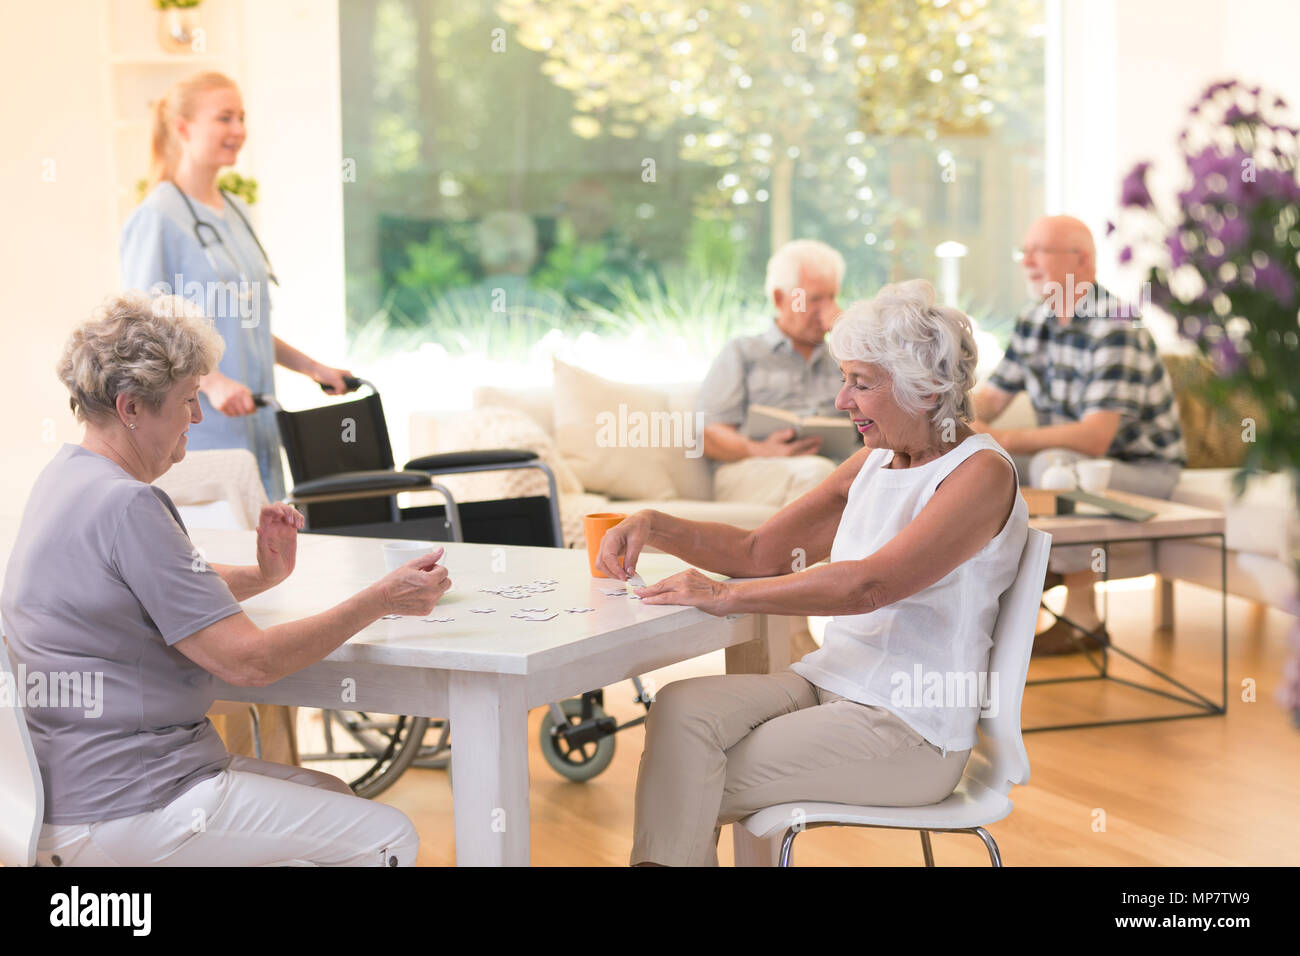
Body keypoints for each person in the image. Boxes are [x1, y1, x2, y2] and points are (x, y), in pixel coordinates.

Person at [2, 292, 451, 866]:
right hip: (130, 802)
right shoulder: (129, 504)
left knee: (334, 796)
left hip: (79, 792)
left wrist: (264, 575)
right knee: (388, 835)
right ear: (131, 407)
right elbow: (250, 662)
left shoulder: (65, 478)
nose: (197, 416)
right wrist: (382, 599)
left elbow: (151, 586)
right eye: (188, 400)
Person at [597, 280, 1028, 867]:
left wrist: (726, 596)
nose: (840, 401)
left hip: (908, 727)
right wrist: (654, 524)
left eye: (861, 383)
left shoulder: (979, 473)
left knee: (684, 776)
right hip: (833, 683)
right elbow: (760, 550)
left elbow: (869, 585)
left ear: (924, 390)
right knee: (679, 710)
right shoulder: (874, 462)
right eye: (844, 379)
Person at [120, 71, 355, 502]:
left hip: (258, 425)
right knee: (219, 560)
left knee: (270, 558)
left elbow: (243, 326)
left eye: (241, 118)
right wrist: (213, 383)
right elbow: (143, 331)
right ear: (183, 127)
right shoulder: (157, 216)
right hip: (199, 429)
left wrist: (312, 368)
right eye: (224, 118)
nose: (238, 130)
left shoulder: (236, 211)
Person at [970, 215, 1185, 654]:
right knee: (987, 468)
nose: (1027, 261)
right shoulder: (1035, 320)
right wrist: (939, 416)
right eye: (1023, 252)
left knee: (1055, 466)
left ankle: (1084, 621)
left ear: (1082, 259)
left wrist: (1002, 439)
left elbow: (1094, 439)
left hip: (1141, 468)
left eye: (1039, 251)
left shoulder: (1115, 324)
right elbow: (990, 400)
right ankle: (1006, 580)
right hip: (1070, 464)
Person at [697, 239, 847, 508]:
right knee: (817, 474)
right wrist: (762, 450)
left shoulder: (845, 358)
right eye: (814, 299)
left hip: (831, 470)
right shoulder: (742, 352)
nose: (826, 311)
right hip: (755, 469)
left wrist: (851, 340)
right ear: (780, 298)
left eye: (832, 297)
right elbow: (710, 435)